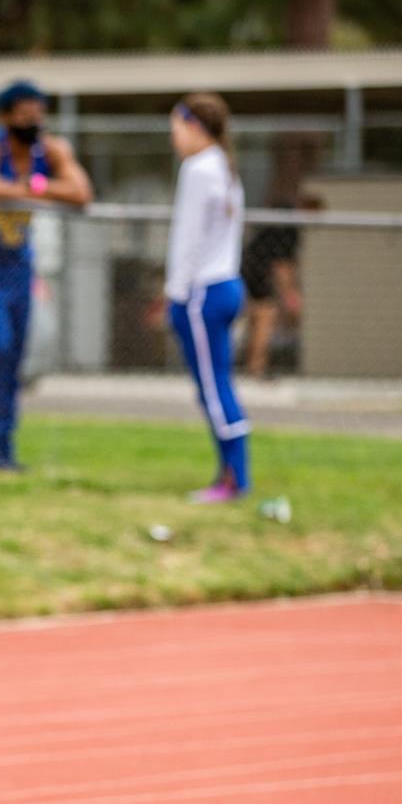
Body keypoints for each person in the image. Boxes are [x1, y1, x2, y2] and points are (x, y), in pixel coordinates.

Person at [0, 80, 93, 471]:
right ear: (5, 117)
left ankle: (3, 447)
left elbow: (81, 191)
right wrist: (41, 190)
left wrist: (32, 185)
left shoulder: (50, 150)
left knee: (14, 357)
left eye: (38, 113)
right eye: (24, 114)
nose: (33, 120)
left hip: (19, 268)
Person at [165, 92, 251, 504]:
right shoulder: (223, 167)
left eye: (177, 129)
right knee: (215, 386)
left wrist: (175, 294)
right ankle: (231, 473)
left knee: (215, 389)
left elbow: (189, 240)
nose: (175, 138)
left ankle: (234, 478)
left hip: (203, 291)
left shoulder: (199, 169)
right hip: (225, 285)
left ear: (195, 126)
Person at [240, 190, 323, 379]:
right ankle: (256, 367)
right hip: (258, 270)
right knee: (265, 316)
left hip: (249, 265)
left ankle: (252, 364)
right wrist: (291, 296)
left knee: (256, 316)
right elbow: (283, 266)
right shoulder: (290, 226)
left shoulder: (285, 216)